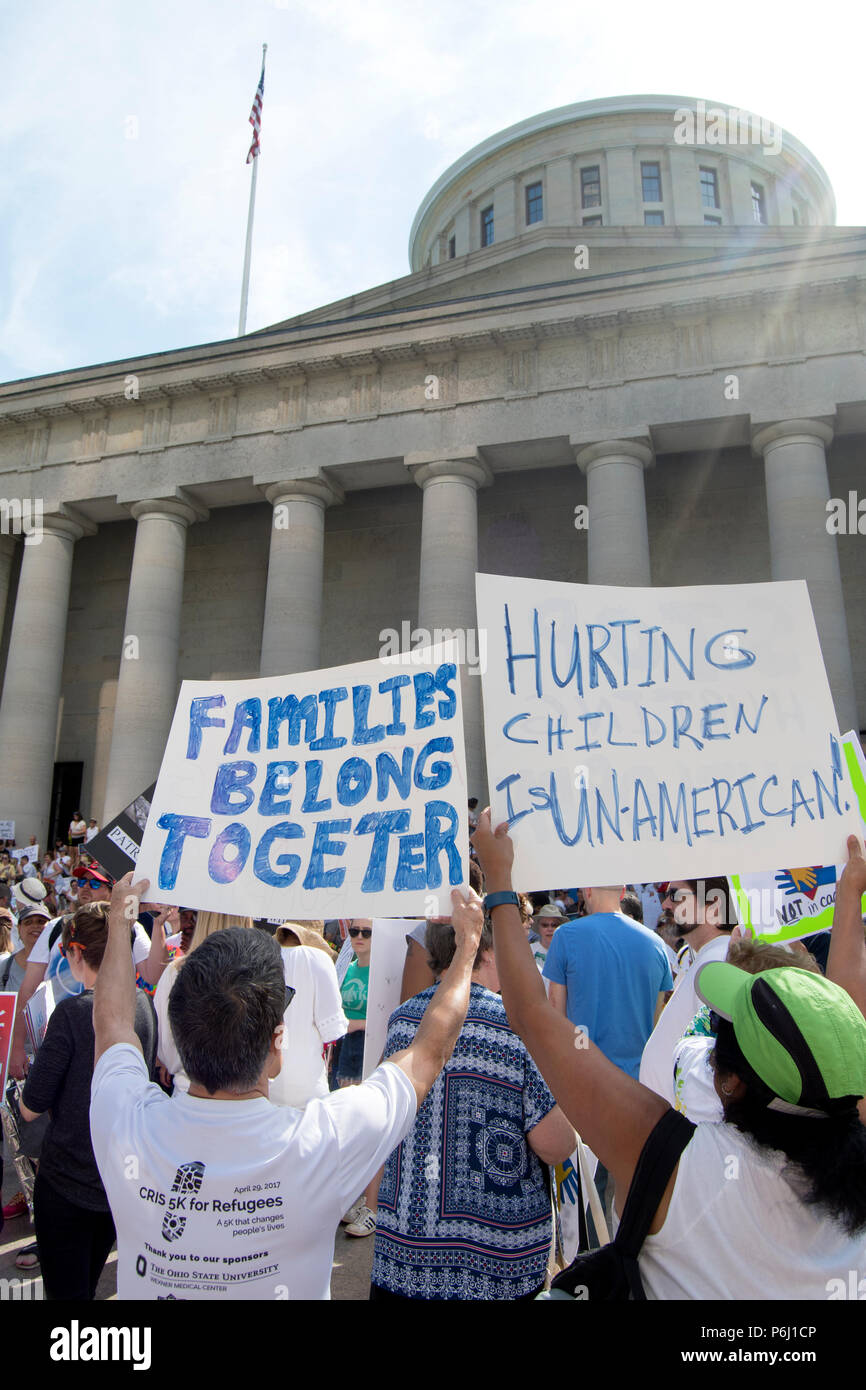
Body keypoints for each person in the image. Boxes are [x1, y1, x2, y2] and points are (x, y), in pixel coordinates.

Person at [472, 812, 866, 1300]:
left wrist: (500, 886)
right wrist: (848, 898)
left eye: (719, 1028)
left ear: (730, 1082)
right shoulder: (850, 1124)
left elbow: (534, 1014)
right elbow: (848, 1016)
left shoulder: (671, 1164)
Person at [89, 871, 485, 1300]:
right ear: (279, 1041)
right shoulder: (322, 1141)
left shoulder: (124, 1121)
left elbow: (111, 1024)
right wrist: (465, 951)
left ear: (178, 1031)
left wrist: (121, 920)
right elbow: (426, 1055)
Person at [370, 917, 575, 1300]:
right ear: (489, 951)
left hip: (406, 1259)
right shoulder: (517, 1026)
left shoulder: (401, 1022)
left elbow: (379, 1125)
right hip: (497, 1266)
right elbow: (555, 1144)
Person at [19, 902, 157, 1300]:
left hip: (68, 1182)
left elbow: (31, 1104)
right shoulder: (144, 1007)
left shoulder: (72, 1013)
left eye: (64, 953)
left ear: (76, 952)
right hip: (116, 1182)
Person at [543, 883, 673, 1079]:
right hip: (639, 1081)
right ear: (622, 892)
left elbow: (555, 1013)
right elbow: (656, 1022)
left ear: (587, 891)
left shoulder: (564, 936)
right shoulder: (656, 944)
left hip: (584, 1074)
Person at [639, 878, 734, 1104]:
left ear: (714, 905)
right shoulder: (709, 957)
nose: (665, 905)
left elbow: (718, 1063)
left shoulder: (719, 961)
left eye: (675, 895)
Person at [153, 910, 253, 1092]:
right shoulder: (261, 975)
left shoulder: (175, 972)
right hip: (246, 1101)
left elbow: (166, 1050)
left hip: (188, 1096)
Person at [269, 923, 347, 1110]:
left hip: (265, 1082)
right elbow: (333, 1029)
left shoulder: (266, 956)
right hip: (307, 1085)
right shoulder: (318, 959)